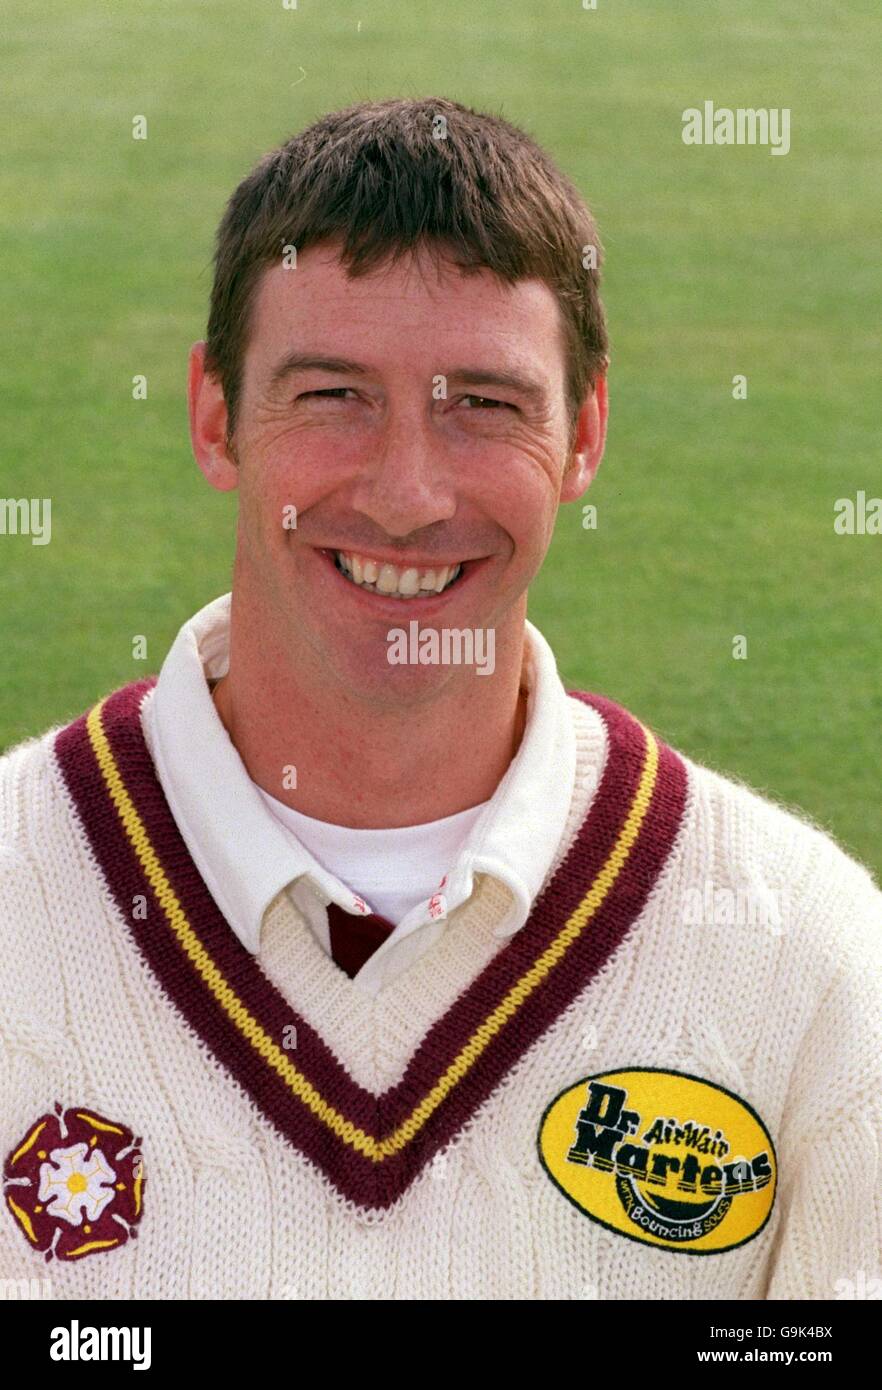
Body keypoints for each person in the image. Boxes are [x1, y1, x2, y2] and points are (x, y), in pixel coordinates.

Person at [1, 97, 880, 1301]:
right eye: (331, 396)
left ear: (585, 434)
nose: (409, 494)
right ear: (215, 416)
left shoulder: (807, 959)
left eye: (486, 403)